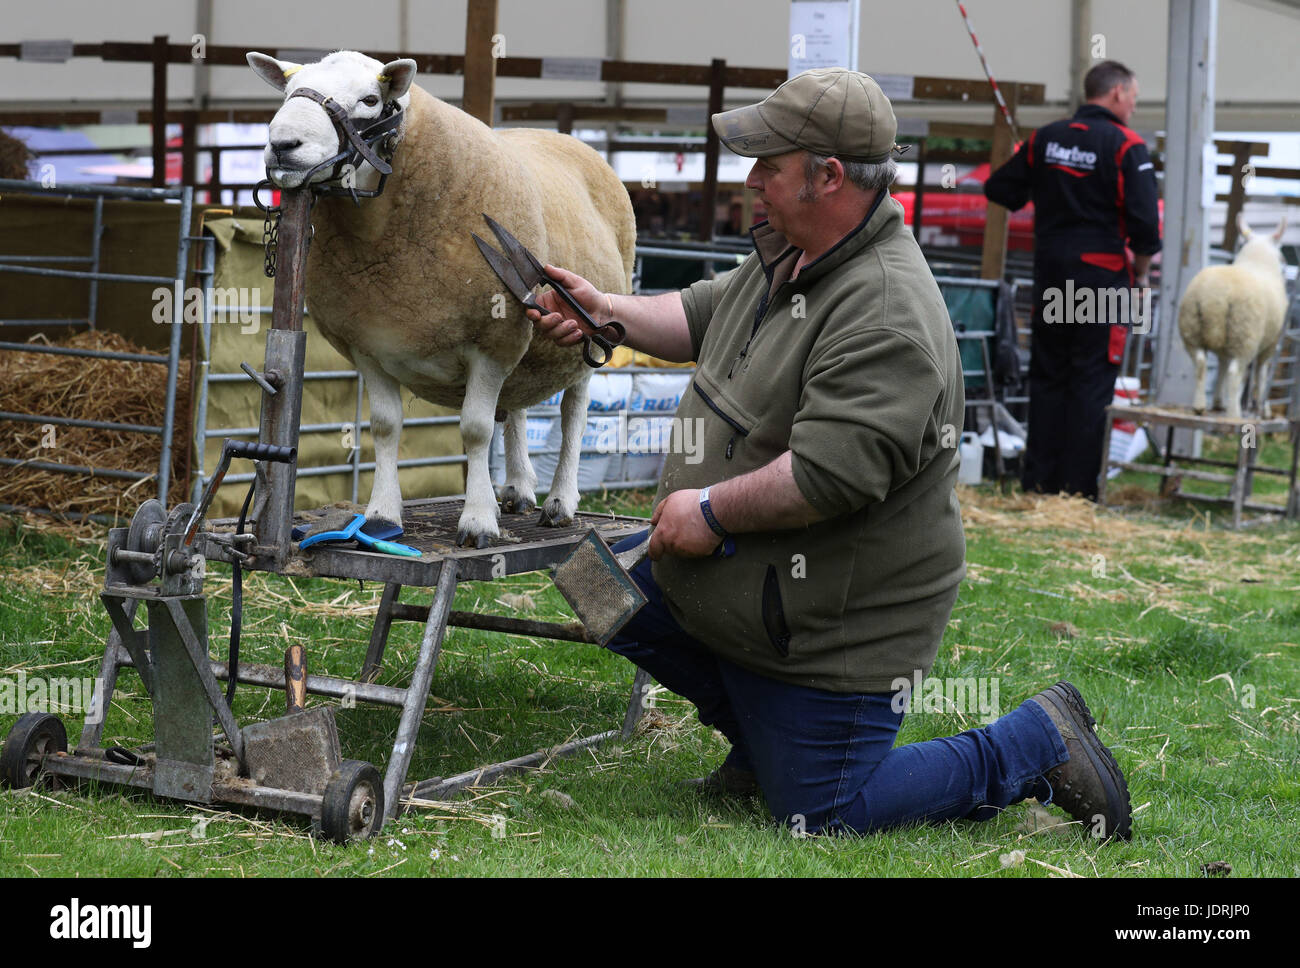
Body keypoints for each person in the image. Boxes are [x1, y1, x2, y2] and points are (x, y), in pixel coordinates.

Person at [528, 68, 1132, 840]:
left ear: (830, 176)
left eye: (768, 166)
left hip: (835, 618)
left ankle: (1032, 742)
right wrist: (605, 312)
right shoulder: (796, 250)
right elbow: (701, 314)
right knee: (598, 583)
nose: (752, 181)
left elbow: (824, 476)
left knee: (825, 811)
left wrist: (709, 510)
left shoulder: (885, 312)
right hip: (756, 576)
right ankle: (761, 740)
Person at [984, 60, 1162, 501]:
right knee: (1091, 381)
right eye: (1135, 98)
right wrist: (1139, 276)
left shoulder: (1046, 139)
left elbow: (1000, 190)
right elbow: (1146, 231)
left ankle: (1038, 487)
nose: (1134, 107)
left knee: (1047, 378)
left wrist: (1036, 164)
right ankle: (1078, 494)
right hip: (1103, 280)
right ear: (1117, 93)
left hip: (1052, 277)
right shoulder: (1126, 146)